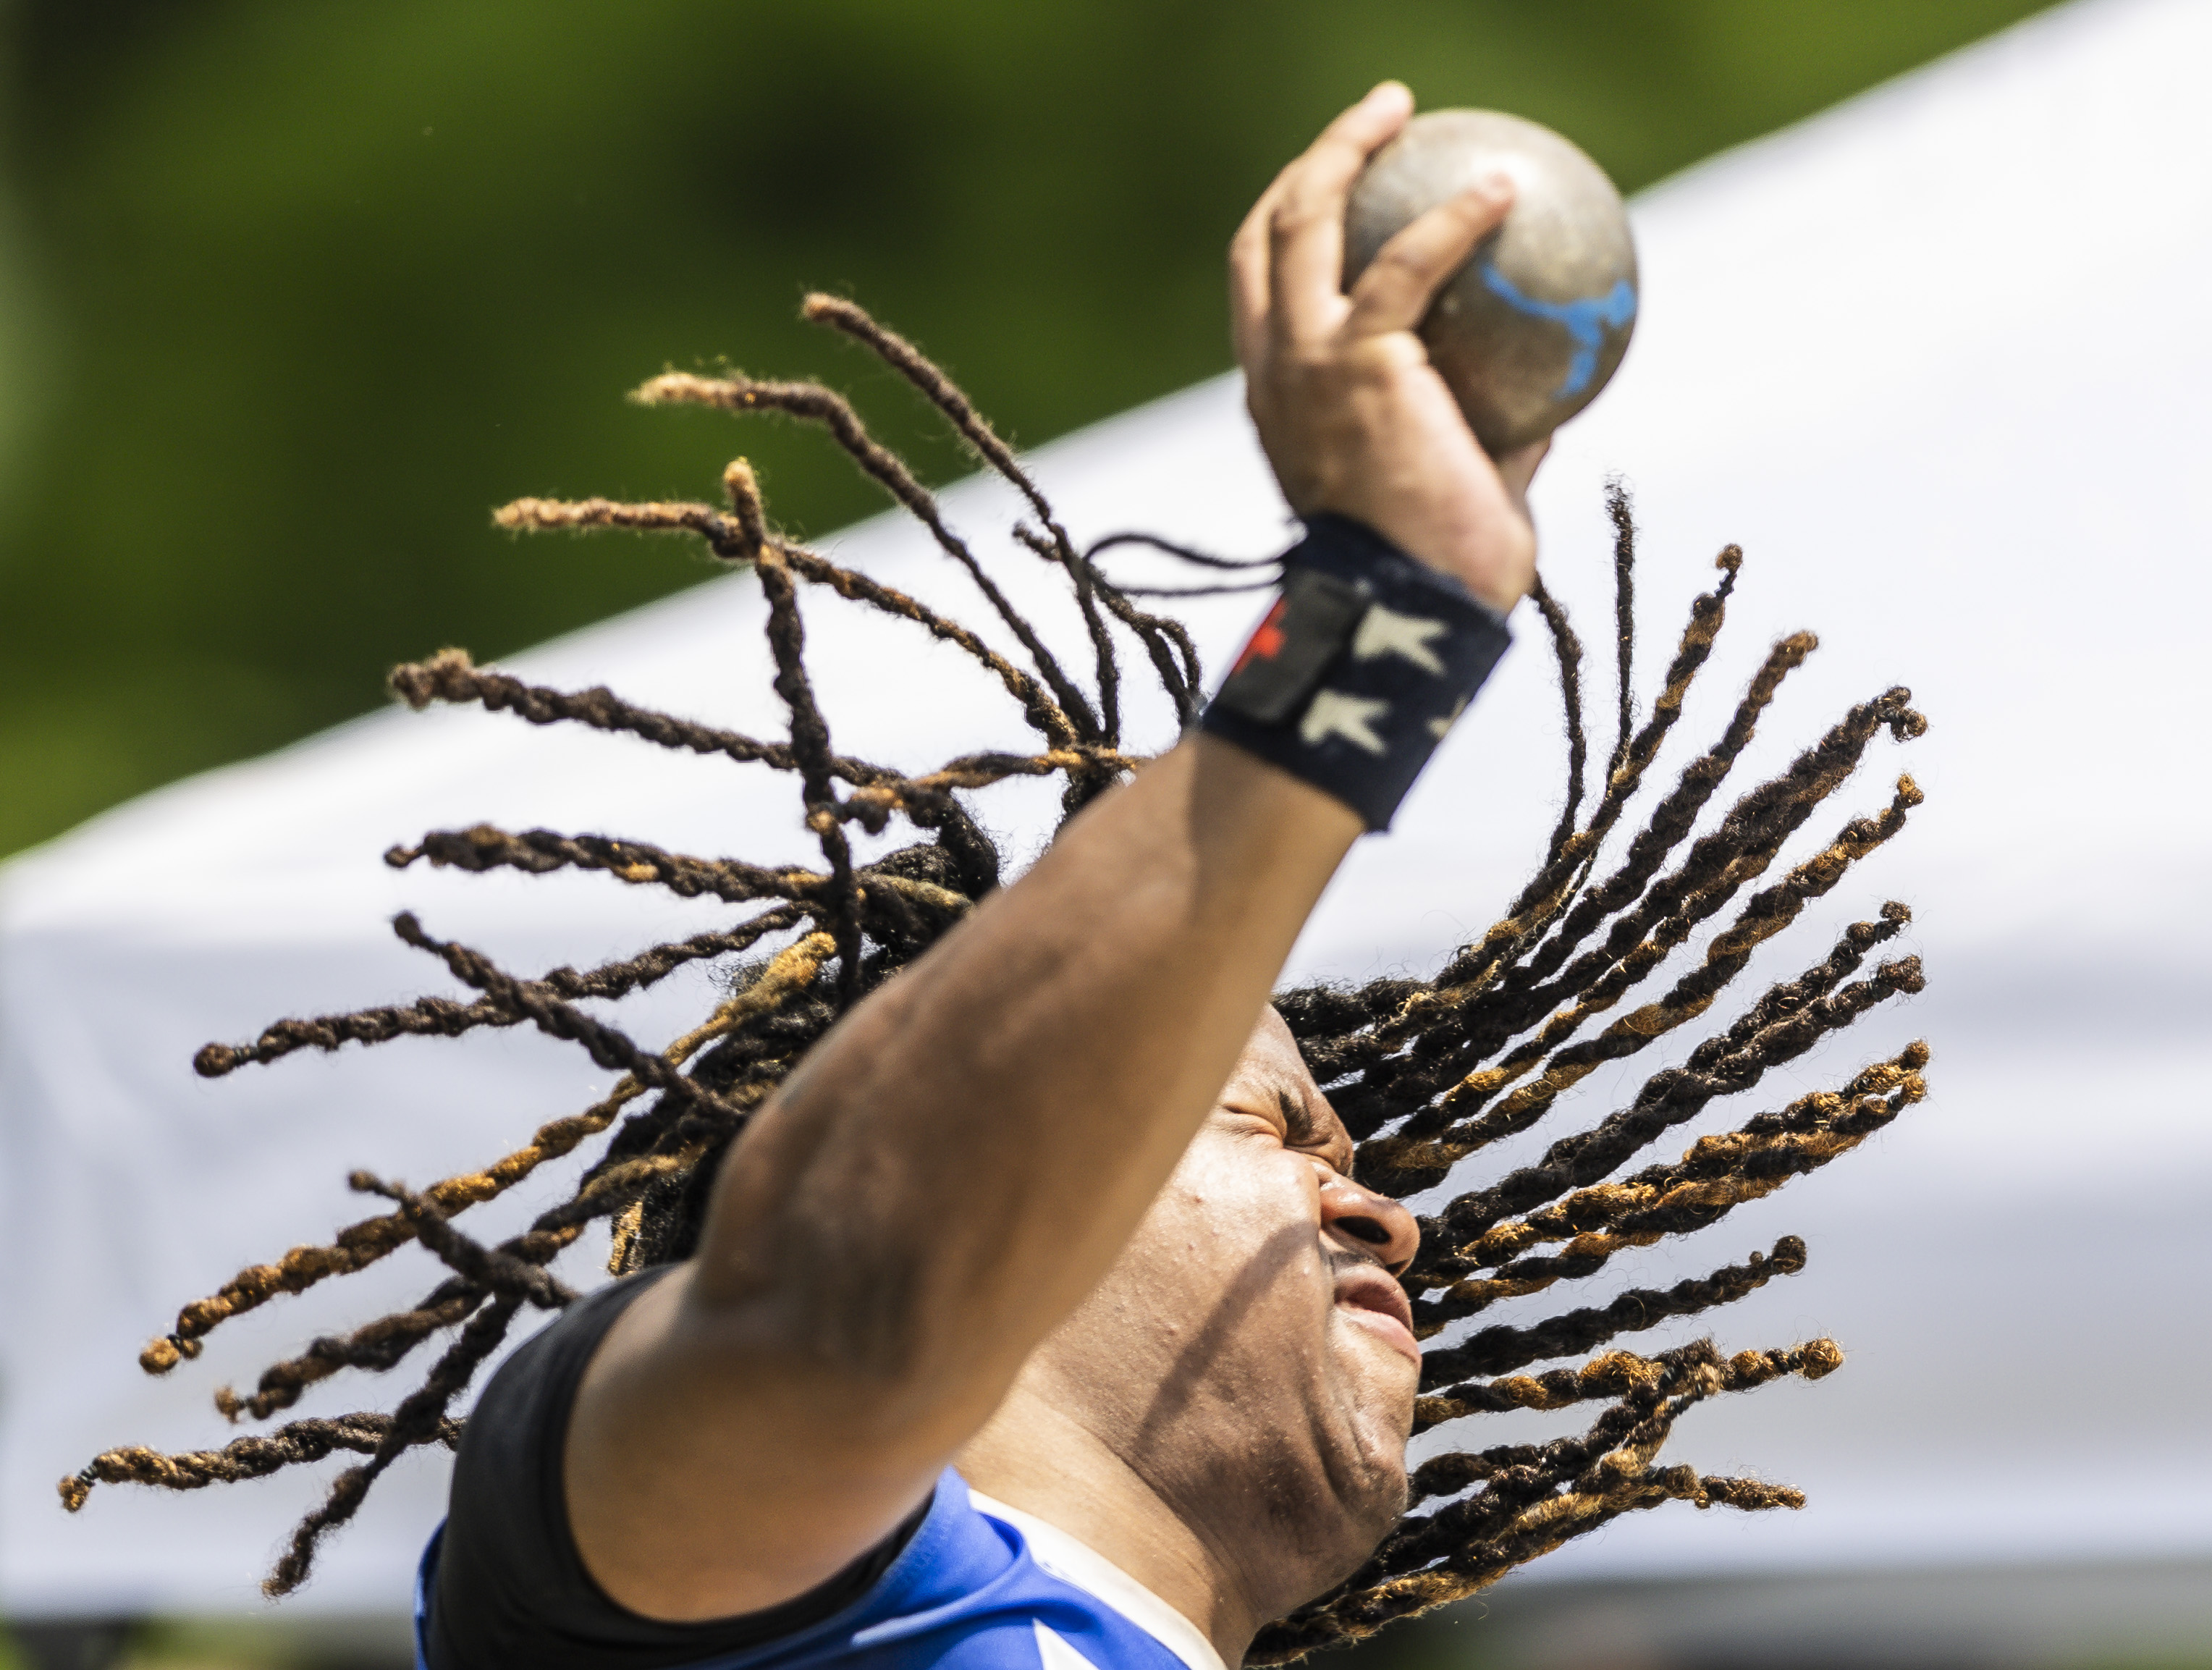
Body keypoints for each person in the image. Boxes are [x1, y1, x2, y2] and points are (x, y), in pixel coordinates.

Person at [67, 77, 1931, 1670]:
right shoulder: (665, 1539)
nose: (1382, 1216)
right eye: (1270, 1124)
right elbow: (845, 1298)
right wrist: (1381, 625)